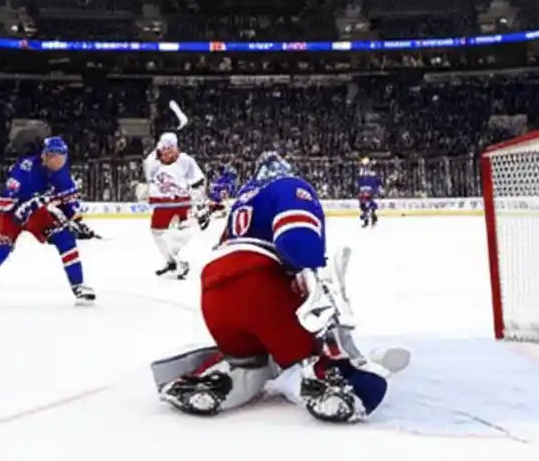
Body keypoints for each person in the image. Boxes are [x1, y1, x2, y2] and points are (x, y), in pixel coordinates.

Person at [154, 151, 389, 424]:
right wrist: (313, 280)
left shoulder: (244, 198)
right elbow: (296, 239)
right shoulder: (290, 186)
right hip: (261, 286)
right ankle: (328, 384)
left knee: (251, 364)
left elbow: (225, 247)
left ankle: (215, 379)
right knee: (305, 354)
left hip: (214, 292)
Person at [0, 136, 95, 306]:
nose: (61, 161)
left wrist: (76, 222)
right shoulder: (25, 168)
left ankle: (78, 286)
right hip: (10, 211)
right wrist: (23, 209)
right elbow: (7, 199)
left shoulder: (62, 174)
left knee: (65, 238)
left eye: (64, 157)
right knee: (1, 247)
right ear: (46, 156)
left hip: (36, 212)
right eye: (57, 157)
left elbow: (69, 203)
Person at [143, 132, 206, 279]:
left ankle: (181, 260)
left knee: (184, 232)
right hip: (161, 202)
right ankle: (171, 261)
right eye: (164, 149)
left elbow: (198, 182)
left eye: (169, 149)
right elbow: (149, 178)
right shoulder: (152, 160)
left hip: (182, 202)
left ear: (175, 148)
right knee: (157, 233)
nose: (166, 152)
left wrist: (200, 203)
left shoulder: (186, 161)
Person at [198, 163, 239, 230]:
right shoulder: (222, 177)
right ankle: (207, 212)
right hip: (217, 195)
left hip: (225, 194)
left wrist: (217, 186)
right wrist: (214, 186)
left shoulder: (230, 178)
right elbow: (215, 184)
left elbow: (229, 186)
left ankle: (217, 208)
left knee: (220, 194)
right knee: (210, 197)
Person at [357, 158, 381, 228]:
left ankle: (372, 219)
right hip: (364, 190)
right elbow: (360, 180)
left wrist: (376, 189)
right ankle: (368, 220)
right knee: (364, 206)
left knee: (369, 205)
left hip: (369, 190)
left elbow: (376, 180)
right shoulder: (362, 172)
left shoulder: (372, 172)